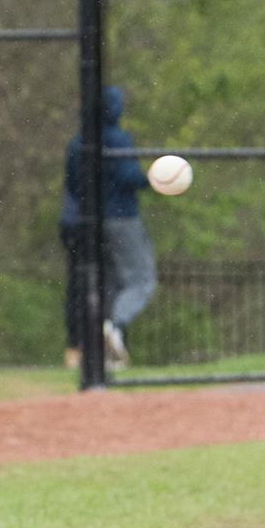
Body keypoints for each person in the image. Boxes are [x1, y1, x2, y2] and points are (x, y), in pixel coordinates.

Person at [61, 86, 155, 369]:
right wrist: (152, 179)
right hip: (121, 219)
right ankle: (115, 325)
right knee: (141, 280)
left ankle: (102, 349)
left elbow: (74, 185)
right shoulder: (117, 139)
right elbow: (128, 176)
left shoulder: (78, 143)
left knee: (111, 283)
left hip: (89, 222)